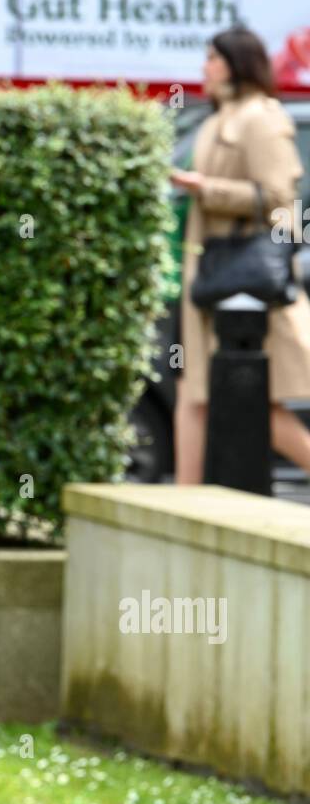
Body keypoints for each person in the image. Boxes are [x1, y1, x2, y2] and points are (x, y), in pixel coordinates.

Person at [170, 25, 310, 483]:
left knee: (250, 399)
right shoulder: (218, 118)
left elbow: (278, 197)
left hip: (243, 284)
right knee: (197, 396)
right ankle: (184, 511)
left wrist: (205, 188)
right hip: (213, 280)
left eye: (213, 58)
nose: (204, 68)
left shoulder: (262, 118)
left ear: (236, 63)